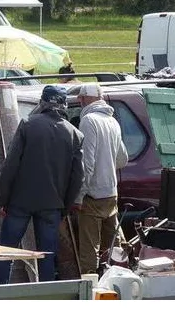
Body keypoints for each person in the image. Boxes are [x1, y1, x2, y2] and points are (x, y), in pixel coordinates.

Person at [0, 85, 83, 284]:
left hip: (20, 201)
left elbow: (10, 165)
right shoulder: (75, 134)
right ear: (64, 105)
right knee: (47, 256)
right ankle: (46, 294)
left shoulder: (27, 124)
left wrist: (2, 199)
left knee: (5, 251)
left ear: (42, 102)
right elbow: (78, 177)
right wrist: (64, 207)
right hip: (52, 204)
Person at [74, 83, 128, 275]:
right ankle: (117, 280)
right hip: (111, 193)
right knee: (112, 246)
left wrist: (79, 196)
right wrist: (107, 166)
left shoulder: (88, 120)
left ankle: (89, 285)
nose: (80, 101)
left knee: (89, 249)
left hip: (93, 194)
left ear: (85, 99)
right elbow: (122, 159)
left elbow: (87, 163)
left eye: (81, 97)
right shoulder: (112, 121)